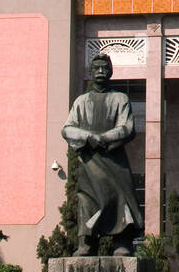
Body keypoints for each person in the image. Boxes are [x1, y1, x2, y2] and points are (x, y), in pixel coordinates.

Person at [61, 53, 143, 256]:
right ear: (90, 72)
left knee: (120, 198)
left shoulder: (120, 98)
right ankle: (86, 242)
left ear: (111, 72)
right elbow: (67, 129)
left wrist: (105, 138)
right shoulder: (81, 101)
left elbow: (128, 127)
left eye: (104, 68)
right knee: (86, 200)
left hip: (114, 159)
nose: (100, 72)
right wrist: (88, 137)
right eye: (96, 68)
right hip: (90, 161)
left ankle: (122, 241)